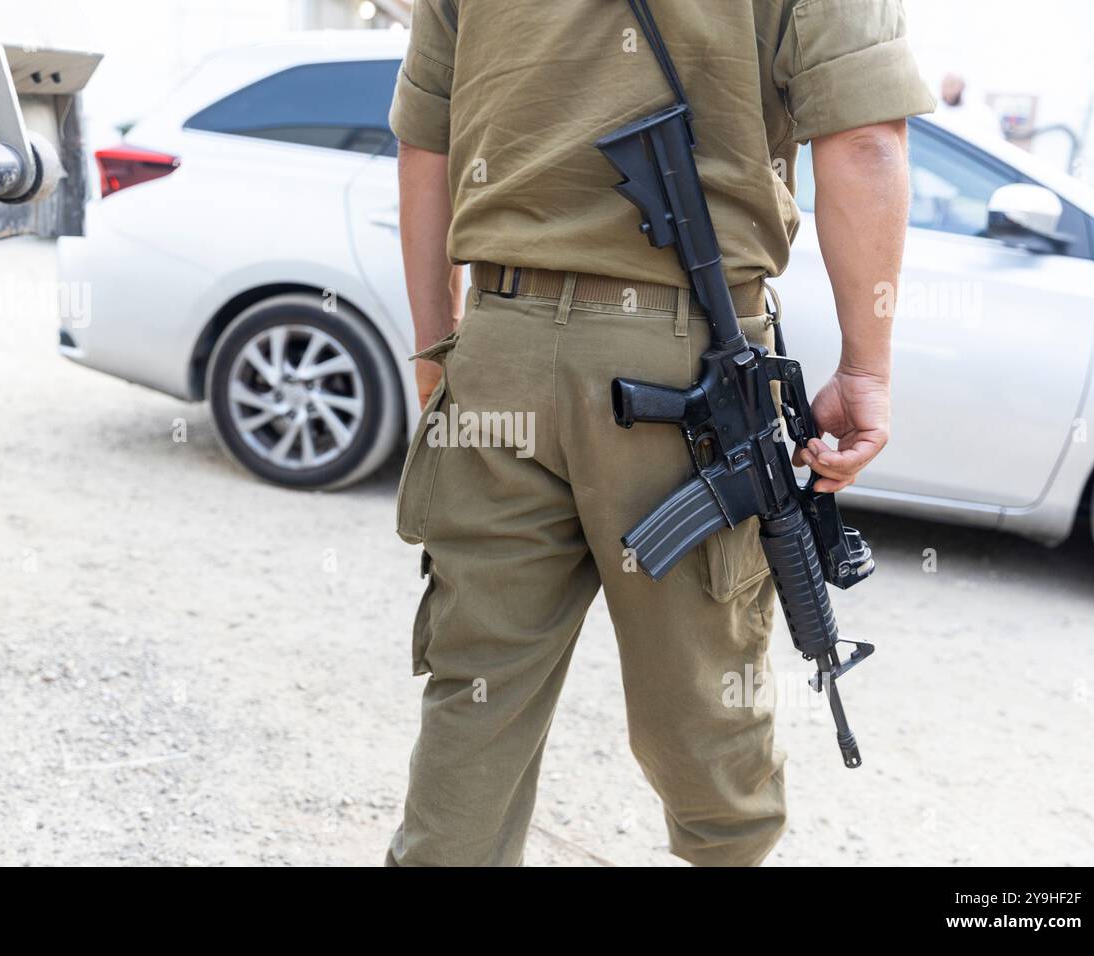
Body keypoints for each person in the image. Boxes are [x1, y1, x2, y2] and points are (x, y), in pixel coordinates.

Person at [386, 0, 934, 866]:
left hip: (501, 342)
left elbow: (427, 143)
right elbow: (864, 142)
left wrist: (438, 346)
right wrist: (866, 370)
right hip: (686, 363)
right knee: (709, 736)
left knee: (476, 709)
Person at [938, 71, 1004, 140]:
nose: (947, 90)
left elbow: (996, 141)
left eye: (951, 85)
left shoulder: (982, 114)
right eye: (944, 86)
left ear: (962, 87)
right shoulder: (936, 115)